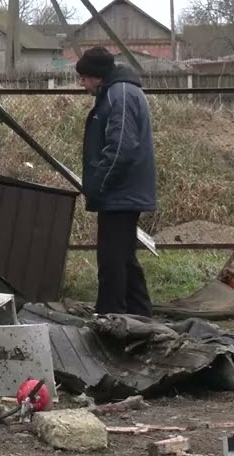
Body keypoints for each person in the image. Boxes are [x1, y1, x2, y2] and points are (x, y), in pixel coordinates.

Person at [76, 46, 156, 318]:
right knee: (123, 257)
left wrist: (100, 185)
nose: (82, 83)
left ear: (97, 76)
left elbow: (121, 147)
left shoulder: (119, 95)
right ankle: (140, 315)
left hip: (120, 192)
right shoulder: (118, 92)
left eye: (84, 77)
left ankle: (112, 317)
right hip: (125, 191)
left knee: (111, 259)